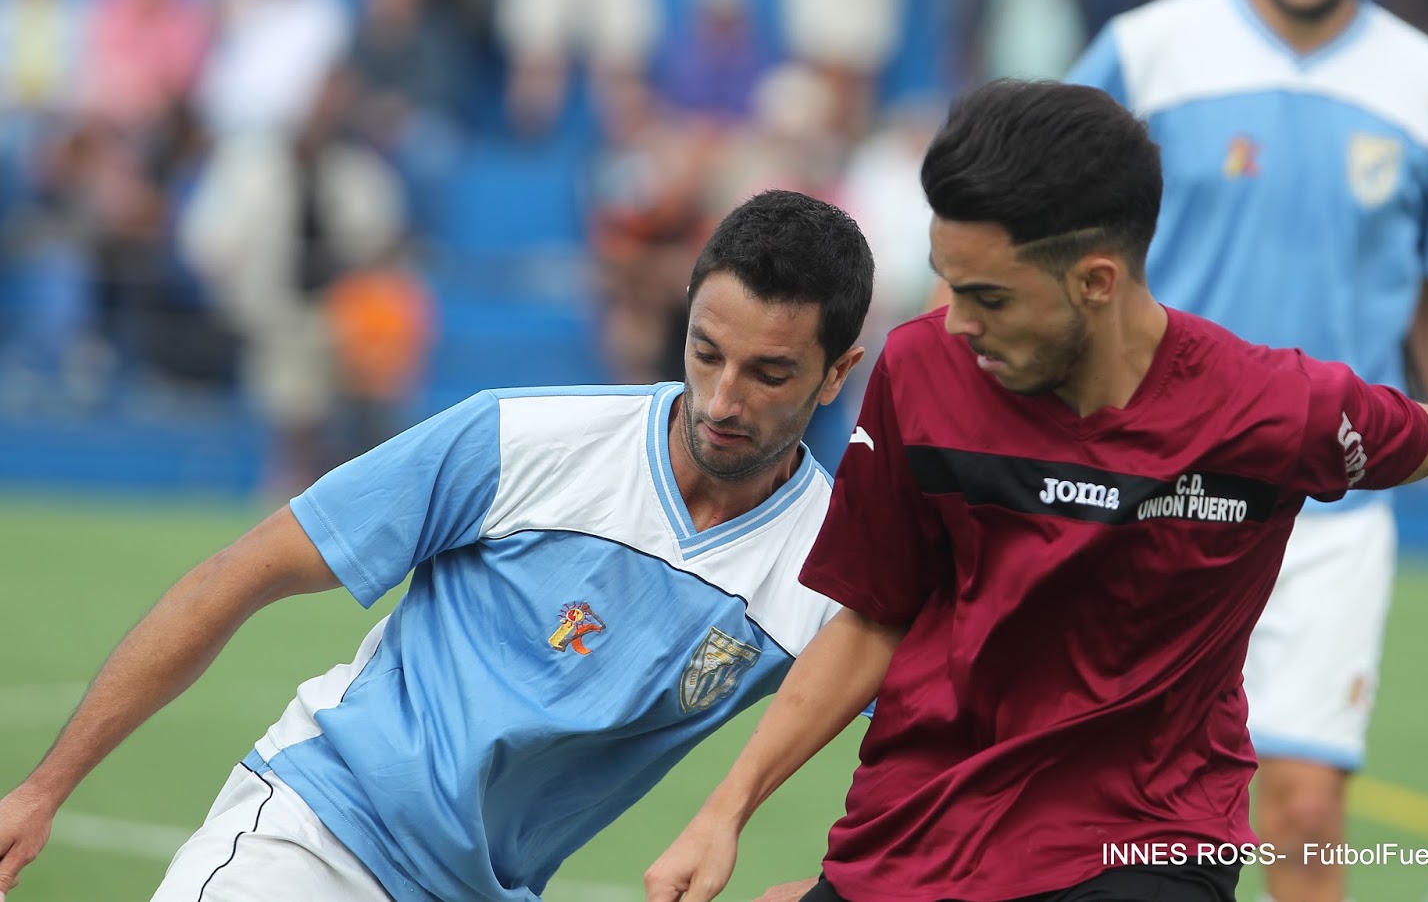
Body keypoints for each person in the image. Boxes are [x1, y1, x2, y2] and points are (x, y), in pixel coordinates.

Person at [641, 79, 1428, 902]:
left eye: (989, 297)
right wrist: (724, 813)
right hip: (923, 828)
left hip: (1151, 840)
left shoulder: (1268, 410)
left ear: (1097, 281)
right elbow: (872, 620)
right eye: (948, 283)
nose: (956, 323)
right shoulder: (922, 373)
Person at [0, 189, 873, 902]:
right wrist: (42, 792)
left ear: (838, 373)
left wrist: (816, 894)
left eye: (768, 374)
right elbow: (239, 576)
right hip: (313, 842)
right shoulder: (519, 438)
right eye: (706, 352)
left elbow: (948, 763)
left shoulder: (836, 574)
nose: (722, 400)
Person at [1065, 0, 1428, 899]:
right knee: (1114, 811)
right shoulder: (1145, 50)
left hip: (1333, 505)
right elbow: (1029, 232)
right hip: (1151, 494)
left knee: (1307, 812)